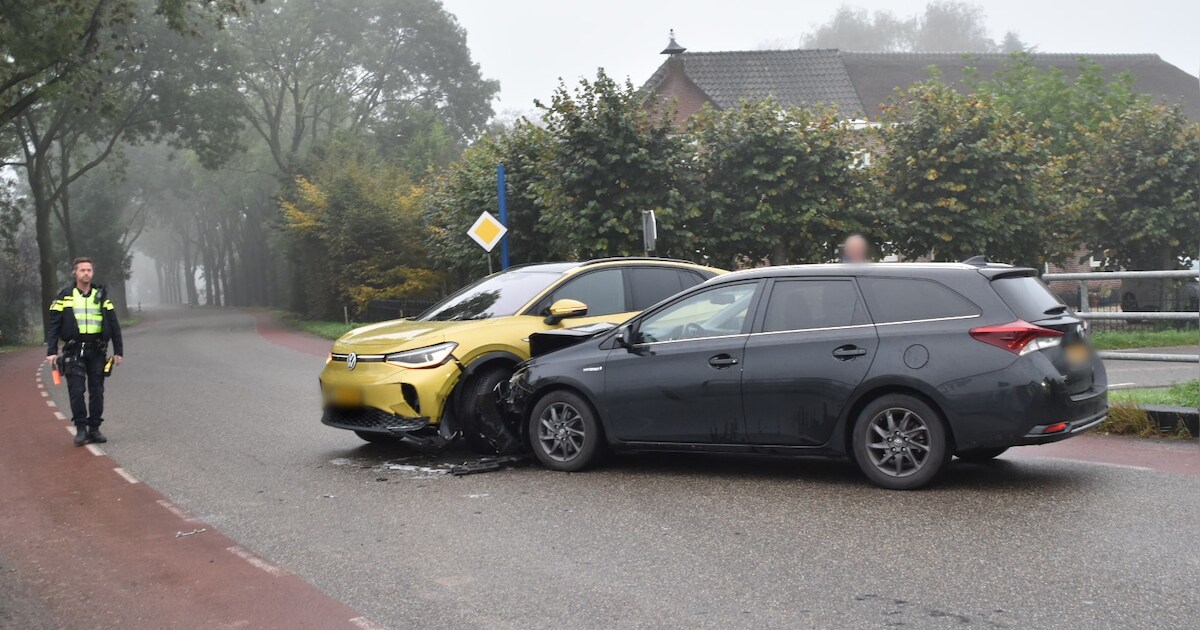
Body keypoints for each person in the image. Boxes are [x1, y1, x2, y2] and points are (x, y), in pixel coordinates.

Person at [45, 257, 124, 446]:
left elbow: (114, 325)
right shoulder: (64, 296)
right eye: (82, 270)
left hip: (97, 351)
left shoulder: (102, 296)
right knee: (77, 391)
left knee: (97, 391)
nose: (86, 273)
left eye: (89, 270)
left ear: (92, 272)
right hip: (74, 351)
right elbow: (54, 325)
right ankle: (81, 429)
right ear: (74, 272)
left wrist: (118, 351)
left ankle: (94, 429)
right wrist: (51, 350)